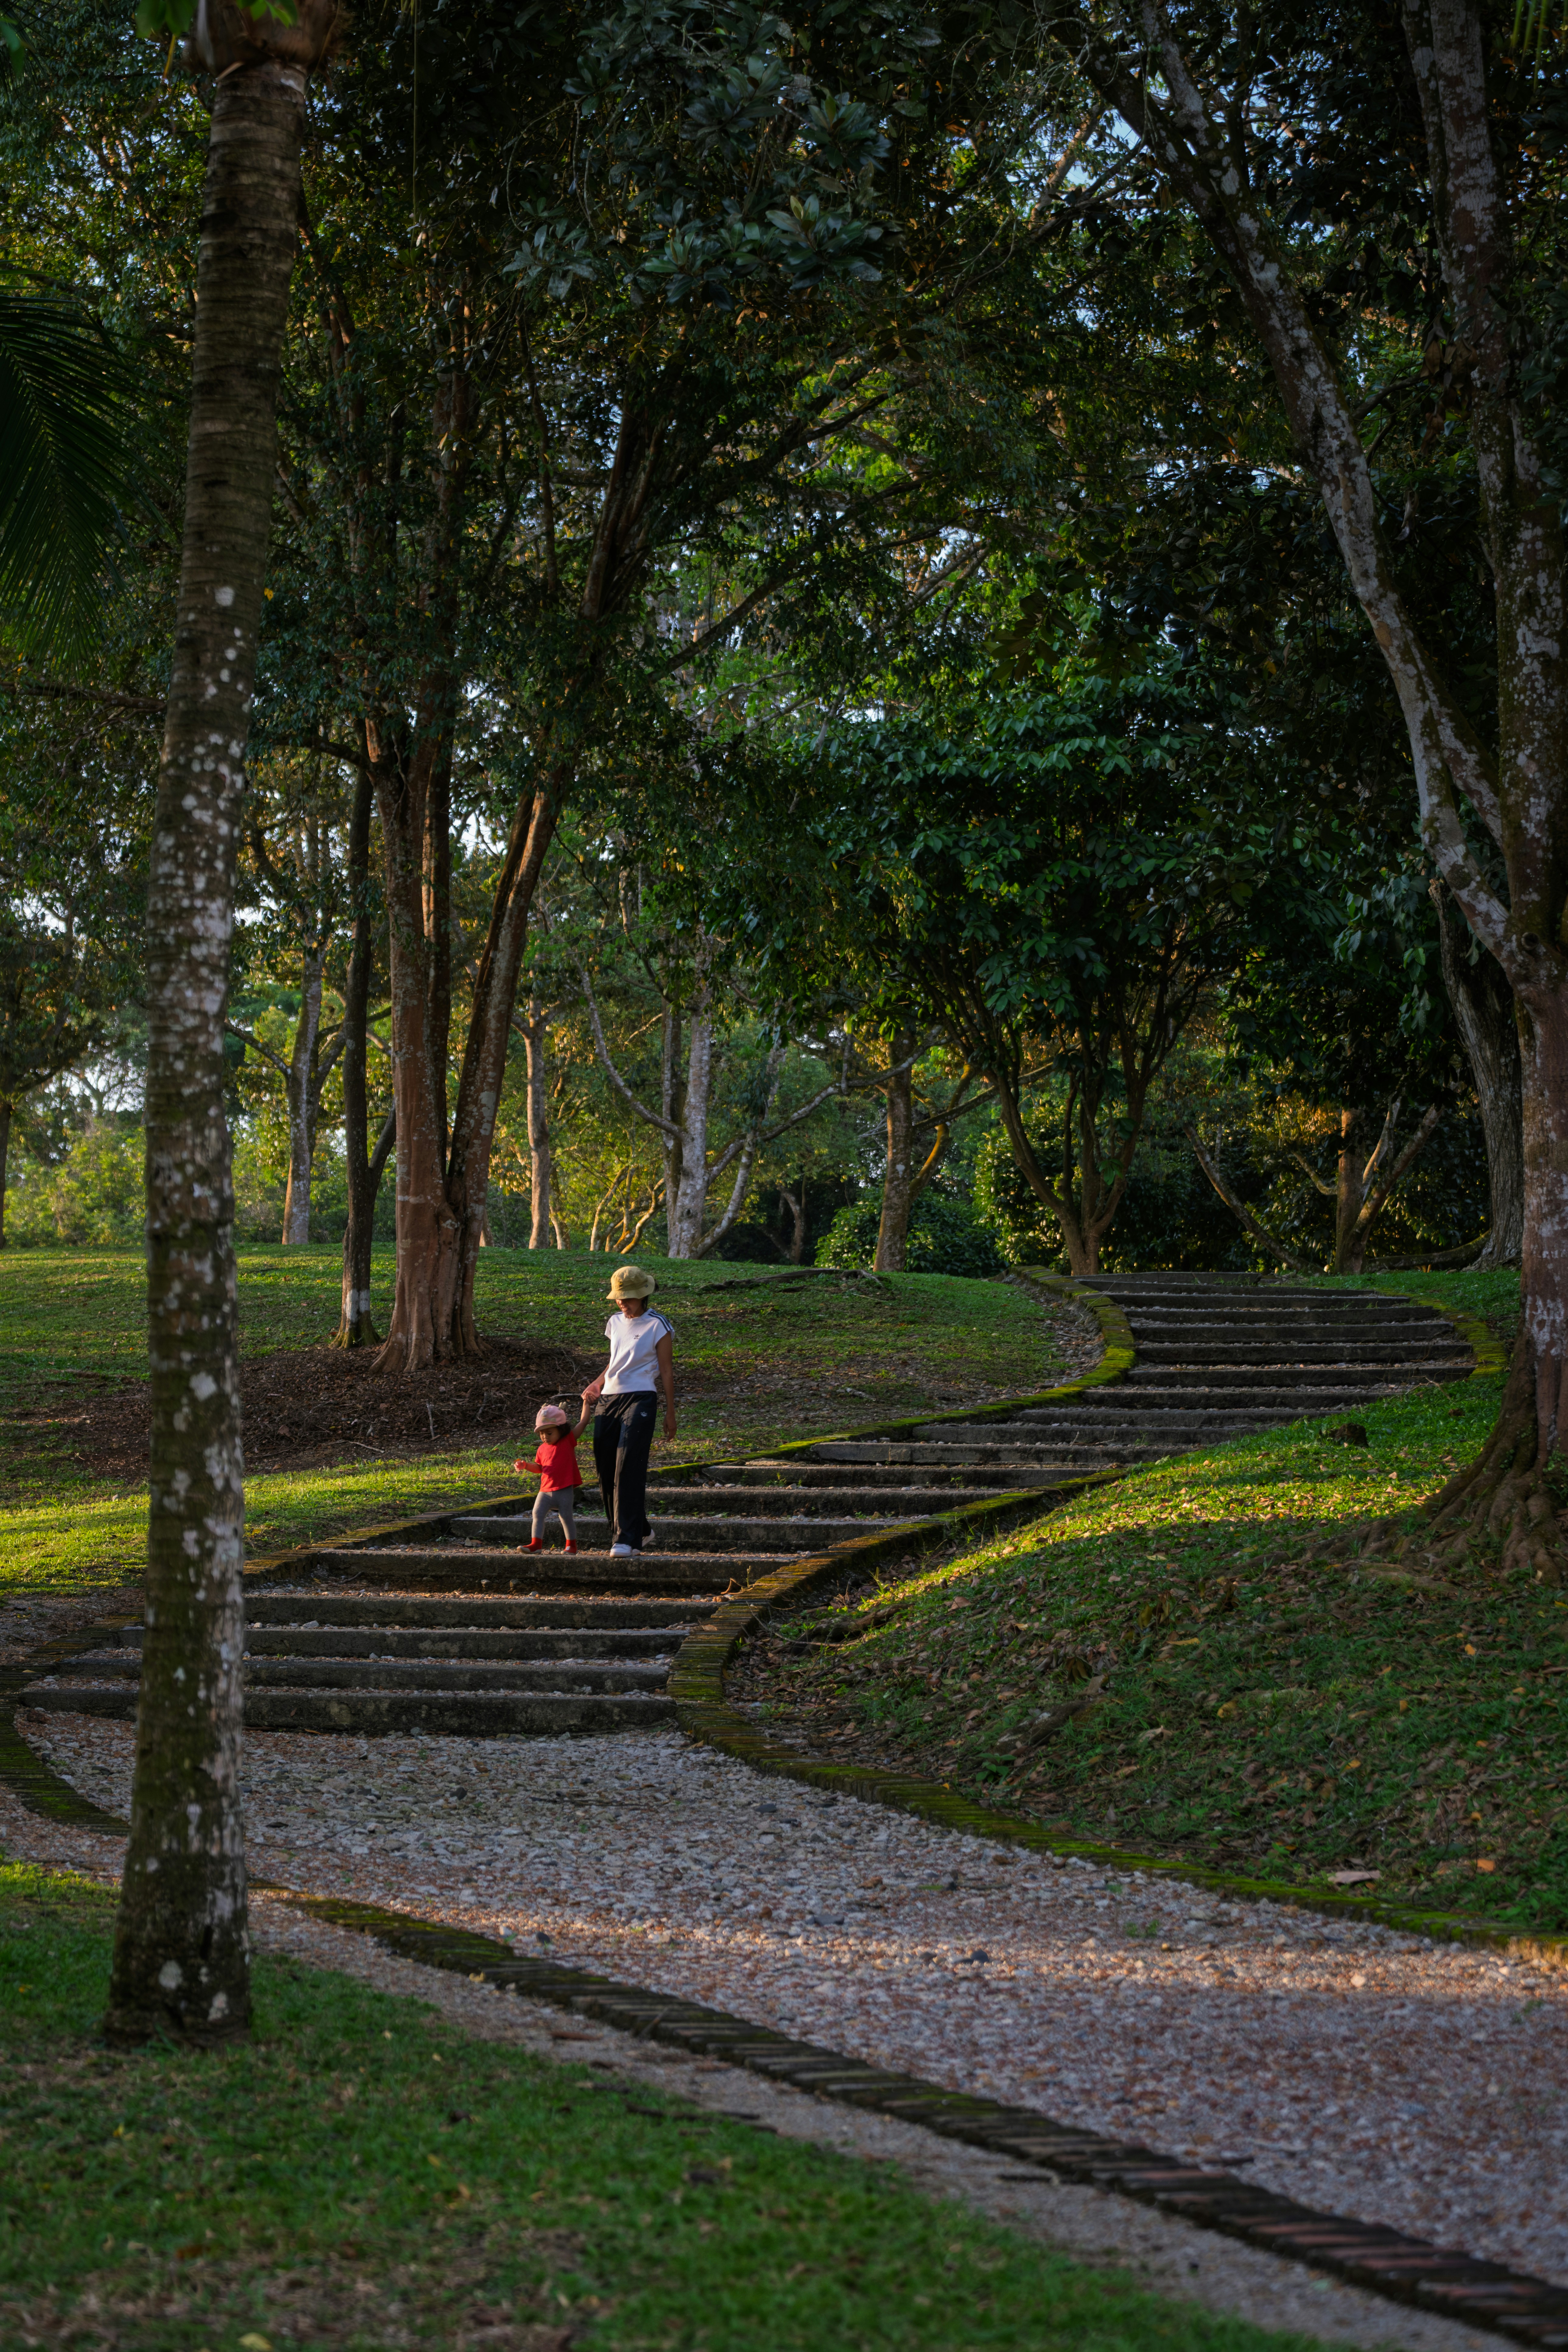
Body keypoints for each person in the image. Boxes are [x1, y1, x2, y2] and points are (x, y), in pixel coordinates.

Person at [582, 1265, 676, 1557]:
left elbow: (666, 1370)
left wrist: (670, 1413)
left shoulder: (658, 1324)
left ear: (644, 1296)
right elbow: (615, 1362)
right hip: (608, 1399)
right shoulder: (614, 1322)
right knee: (605, 1467)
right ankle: (641, 1531)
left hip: (641, 1398)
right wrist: (597, 1384)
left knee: (628, 1466)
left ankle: (626, 1539)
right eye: (620, 1298)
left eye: (629, 1298)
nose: (623, 1303)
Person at [514, 1398, 591, 1553]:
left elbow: (583, 1423)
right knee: (537, 1514)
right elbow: (540, 1468)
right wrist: (525, 1466)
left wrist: (586, 1404)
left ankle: (572, 1546)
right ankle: (536, 1545)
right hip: (545, 1490)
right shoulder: (542, 1449)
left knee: (565, 1516)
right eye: (542, 1433)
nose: (545, 1437)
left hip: (564, 1490)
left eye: (549, 1433)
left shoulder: (568, 1441)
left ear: (561, 1430)